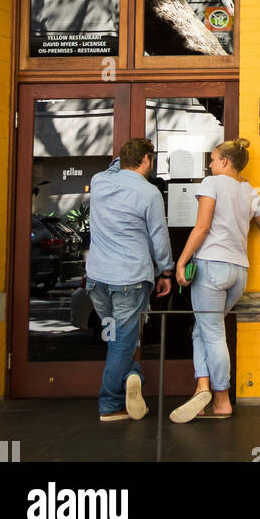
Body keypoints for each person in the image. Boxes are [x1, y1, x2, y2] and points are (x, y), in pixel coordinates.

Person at [170, 137, 260, 422]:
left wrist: (181, 261)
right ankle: (201, 389)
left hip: (211, 267)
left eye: (214, 158)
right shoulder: (249, 190)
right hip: (238, 271)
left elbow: (202, 227)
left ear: (225, 162)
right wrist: (254, 203)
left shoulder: (211, 183)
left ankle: (221, 400)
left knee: (213, 332)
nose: (210, 163)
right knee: (203, 329)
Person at [86, 138, 173, 423]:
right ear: (147, 160)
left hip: (97, 279)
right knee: (123, 342)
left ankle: (132, 373)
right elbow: (159, 238)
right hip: (129, 279)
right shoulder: (148, 193)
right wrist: (166, 272)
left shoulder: (99, 182)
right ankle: (109, 404)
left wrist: (123, 160)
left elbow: (116, 168)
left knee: (114, 338)